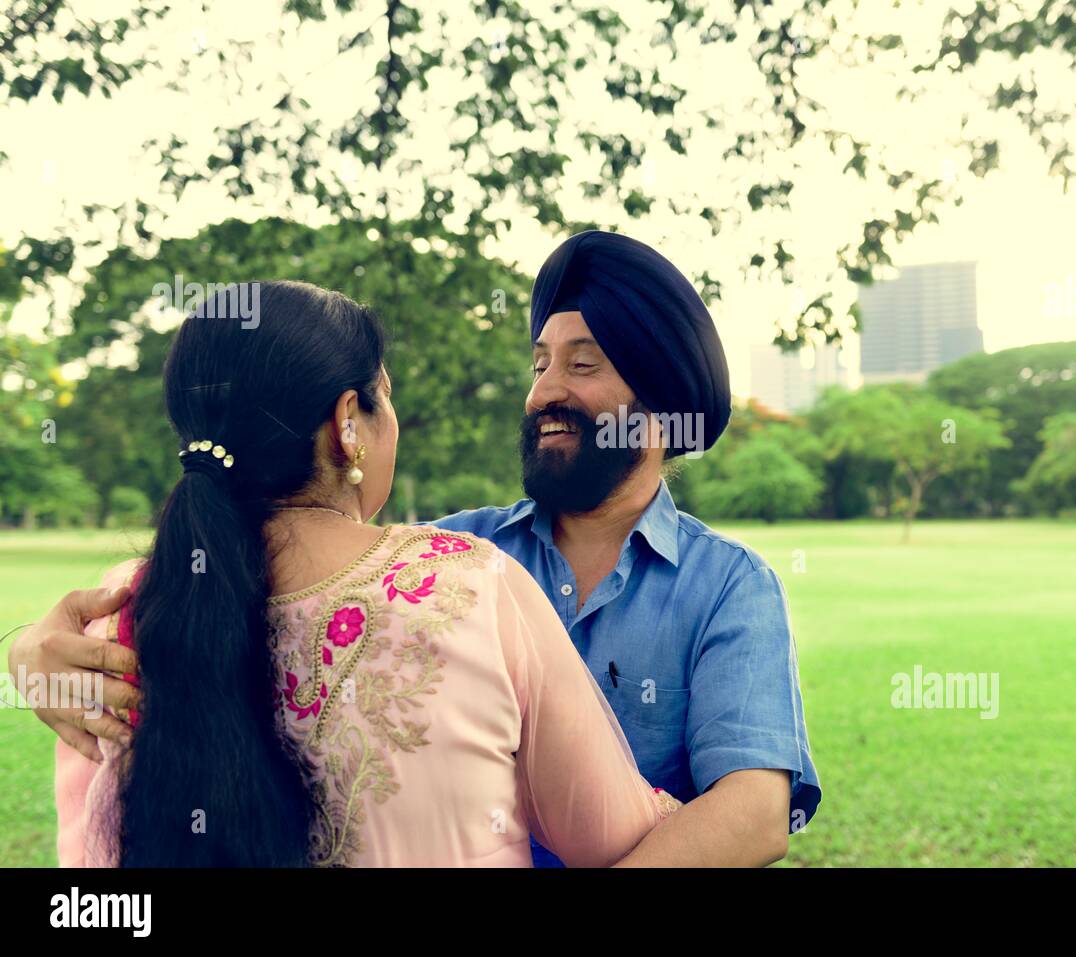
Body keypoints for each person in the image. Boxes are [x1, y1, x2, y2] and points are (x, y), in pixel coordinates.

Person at [11, 230, 821, 868]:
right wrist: (36, 653)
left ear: (663, 404)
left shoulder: (728, 586)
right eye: (539, 363)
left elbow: (754, 811)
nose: (544, 391)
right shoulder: (456, 558)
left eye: (584, 364)